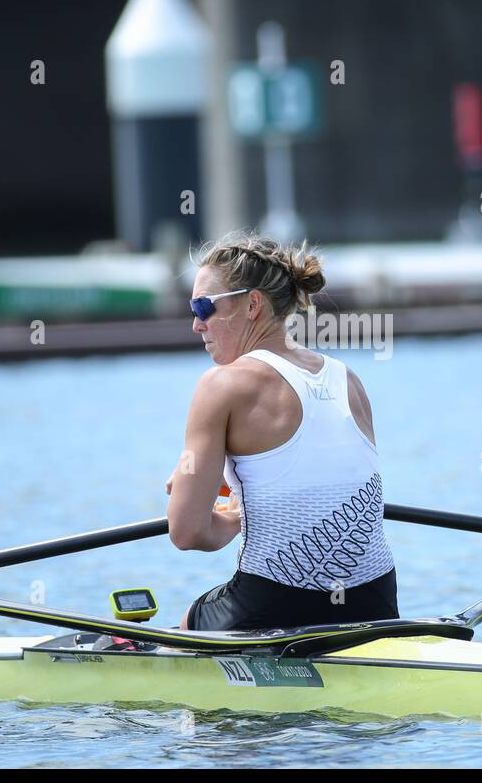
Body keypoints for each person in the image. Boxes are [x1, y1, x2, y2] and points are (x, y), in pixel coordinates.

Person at [165, 232, 397, 631]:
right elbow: (324, 479)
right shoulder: (349, 380)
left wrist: (234, 519)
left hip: (276, 603)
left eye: (204, 306)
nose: (196, 325)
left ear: (252, 304)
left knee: (189, 619)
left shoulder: (220, 384)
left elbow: (186, 533)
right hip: (374, 602)